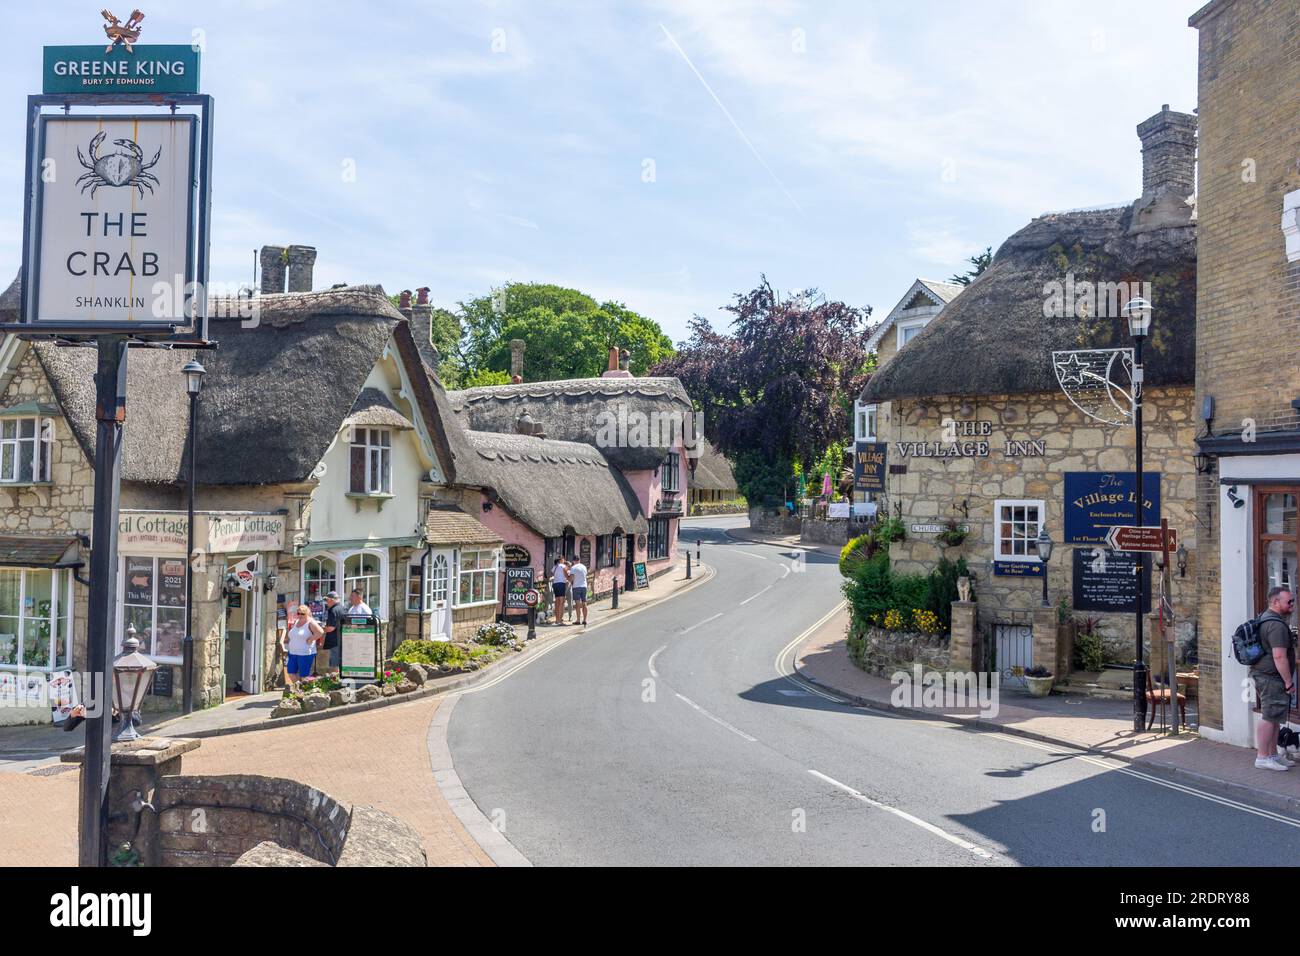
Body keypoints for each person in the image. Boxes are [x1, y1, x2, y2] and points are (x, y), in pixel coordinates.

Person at [1252, 586, 1297, 771]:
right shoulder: (1276, 625)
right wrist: (1288, 682)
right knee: (1270, 716)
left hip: (1265, 675)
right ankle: (1262, 757)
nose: (1292, 605)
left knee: (1275, 716)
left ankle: (1272, 755)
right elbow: (1279, 656)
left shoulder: (1266, 618)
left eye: (1293, 601)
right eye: (1289, 601)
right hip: (1271, 677)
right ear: (1275, 602)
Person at [283, 605, 324, 690]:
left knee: (304, 675)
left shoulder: (311, 622)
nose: (300, 615)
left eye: (302, 613)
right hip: (293, 652)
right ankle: (300, 689)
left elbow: (320, 632)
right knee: (290, 672)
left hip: (305, 653)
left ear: (307, 613)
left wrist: (311, 639)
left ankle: (303, 691)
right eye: (298, 613)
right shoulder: (296, 622)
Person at [321, 591, 344, 673]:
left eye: (327, 600)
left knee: (334, 665)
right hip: (342, 639)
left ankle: (336, 682)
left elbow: (331, 628)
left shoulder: (333, 610)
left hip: (334, 641)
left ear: (331, 600)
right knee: (339, 662)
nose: (326, 603)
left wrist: (322, 629)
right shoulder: (342, 608)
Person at [568, 553, 589, 626]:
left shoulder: (573, 568)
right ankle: (585, 619)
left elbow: (571, 578)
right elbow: (585, 576)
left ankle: (578, 620)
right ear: (579, 560)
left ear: (573, 561)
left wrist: (568, 579)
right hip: (584, 586)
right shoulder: (584, 567)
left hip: (576, 586)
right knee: (584, 603)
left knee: (577, 604)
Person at [551, 556, 570, 625]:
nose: (564, 560)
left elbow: (553, 573)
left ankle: (557, 619)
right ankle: (559, 620)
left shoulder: (555, 567)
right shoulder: (562, 565)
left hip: (555, 584)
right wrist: (568, 577)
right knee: (561, 602)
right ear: (561, 560)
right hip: (561, 584)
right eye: (563, 559)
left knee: (557, 602)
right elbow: (567, 573)